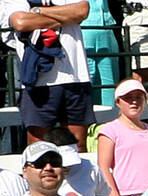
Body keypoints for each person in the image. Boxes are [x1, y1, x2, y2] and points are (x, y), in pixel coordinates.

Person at [0, 0, 93, 148]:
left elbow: (81, 11)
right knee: (38, 147)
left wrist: (38, 11)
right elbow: (21, 22)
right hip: (38, 81)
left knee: (78, 145)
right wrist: (66, 17)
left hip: (77, 77)